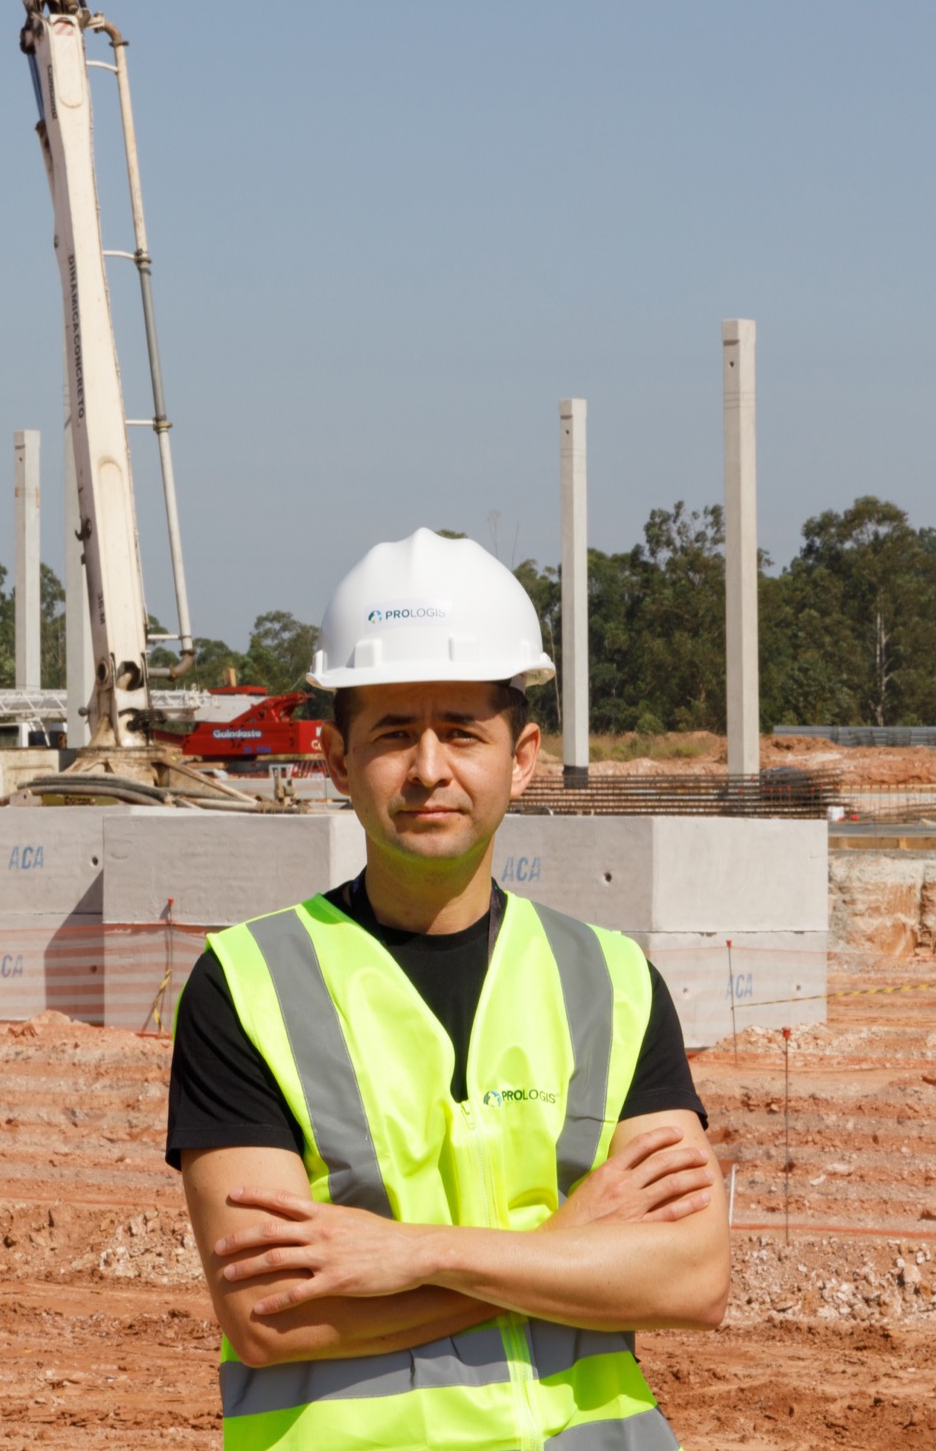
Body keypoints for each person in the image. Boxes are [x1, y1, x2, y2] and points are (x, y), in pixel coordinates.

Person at [168, 529, 726, 1451]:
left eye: (462, 732)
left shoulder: (613, 983)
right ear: (336, 761)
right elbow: (272, 1314)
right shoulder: (249, 987)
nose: (430, 768)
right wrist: (571, 1248)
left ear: (525, 756)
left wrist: (412, 1254)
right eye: (394, 734)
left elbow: (691, 1281)